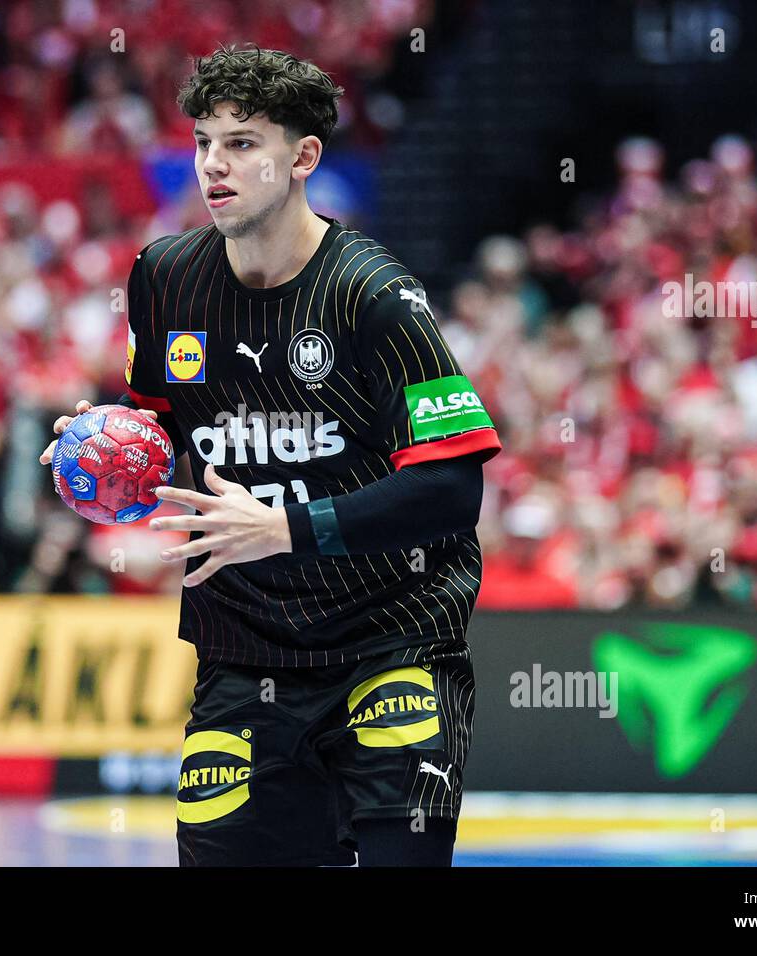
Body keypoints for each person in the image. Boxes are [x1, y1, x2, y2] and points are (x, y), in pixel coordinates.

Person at [40, 44, 502, 867]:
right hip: (243, 647)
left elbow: (452, 488)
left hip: (394, 635)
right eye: (204, 141)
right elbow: (159, 425)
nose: (213, 164)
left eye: (242, 143)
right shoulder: (164, 276)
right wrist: (105, 453)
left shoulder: (375, 294)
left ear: (302, 159)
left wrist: (287, 526)